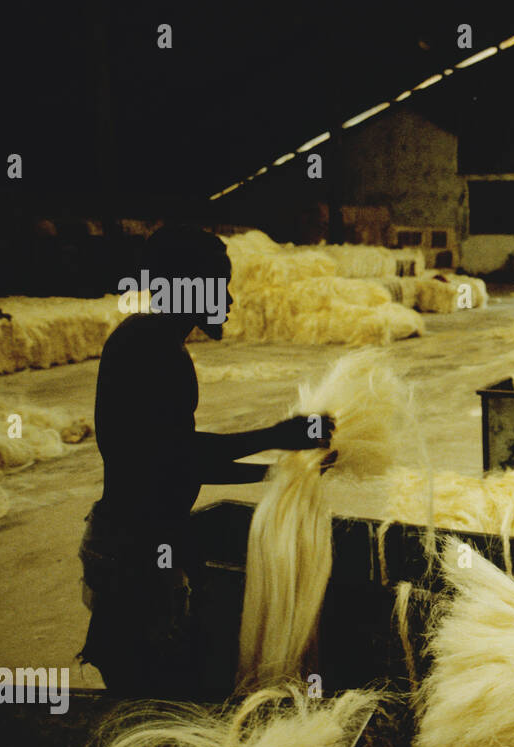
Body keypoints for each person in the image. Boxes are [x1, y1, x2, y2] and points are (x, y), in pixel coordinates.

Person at [78, 225, 334, 695]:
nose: (231, 300)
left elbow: (177, 461)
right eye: (222, 282)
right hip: (131, 558)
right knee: (152, 699)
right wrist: (280, 436)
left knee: (156, 687)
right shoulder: (150, 348)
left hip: (134, 547)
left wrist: (281, 466)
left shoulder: (153, 341)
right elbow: (180, 457)